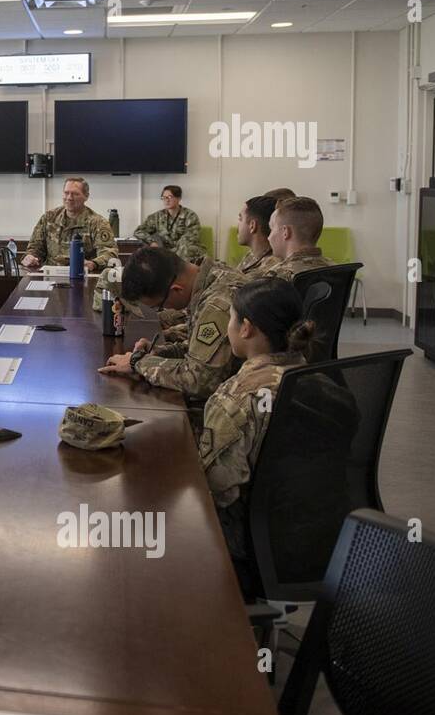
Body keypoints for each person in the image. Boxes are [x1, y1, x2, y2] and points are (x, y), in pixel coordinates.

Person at [199, 278, 315, 568]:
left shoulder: (235, 399)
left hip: (245, 540)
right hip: (319, 530)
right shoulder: (321, 381)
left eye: (231, 320)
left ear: (246, 328)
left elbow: (216, 490)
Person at [98, 246, 246, 400]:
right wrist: (160, 352)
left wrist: (138, 363)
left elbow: (199, 380)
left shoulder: (218, 304)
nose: (163, 310)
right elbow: (204, 350)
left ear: (176, 290)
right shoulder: (209, 276)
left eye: (160, 306)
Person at [23, 177, 117, 272]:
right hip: (51, 275)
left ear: (86, 196)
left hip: (83, 276)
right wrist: (31, 257)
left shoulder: (98, 223)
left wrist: (93, 263)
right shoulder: (49, 217)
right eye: (66, 193)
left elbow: (109, 253)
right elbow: (35, 247)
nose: (69, 198)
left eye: (75, 194)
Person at [133, 185, 203, 261]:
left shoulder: (190, 215)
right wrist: (152, 242)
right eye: (164, 198)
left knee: (186, 248)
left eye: (170, 197)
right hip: (167, 254)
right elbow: (139, 231)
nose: (166, 200)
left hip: (187, 253)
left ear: (179, 198)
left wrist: (171, 254)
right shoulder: (157, 217)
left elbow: (191, 238)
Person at [269, 196, 333, 279]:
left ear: (285, 232)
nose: (269, 237)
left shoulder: (276, 276)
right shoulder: (336, 269)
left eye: (272, 228)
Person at [235, 195, 280, 276]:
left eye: (240, 219)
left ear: (252, 226)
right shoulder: (252, 255)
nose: (237, 225)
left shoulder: (270, 268)